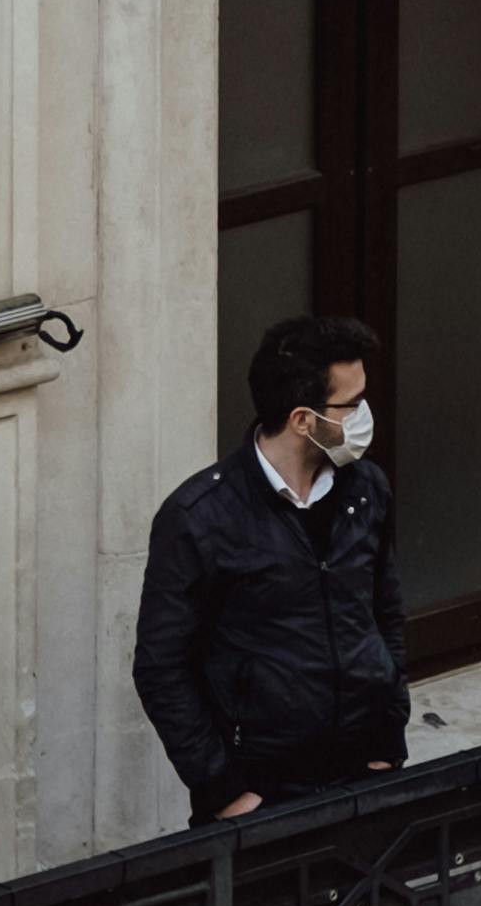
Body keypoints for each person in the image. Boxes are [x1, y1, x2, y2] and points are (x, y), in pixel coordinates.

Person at [130, 314, 411, 823]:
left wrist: (388, 737)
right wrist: (224, 790)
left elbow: (384, 613)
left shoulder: (367, 488)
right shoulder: (198, 518)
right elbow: (160, 667)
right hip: (262, 795)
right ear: (303, 419)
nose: (365, 415)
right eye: (351, 405)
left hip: (367, 777)